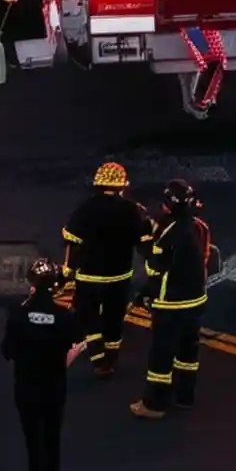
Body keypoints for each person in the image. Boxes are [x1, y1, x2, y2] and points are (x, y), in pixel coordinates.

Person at [2, 258, 88, 471]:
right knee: (52, 440)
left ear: (31, 284)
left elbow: (8, 352)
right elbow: (79, 344)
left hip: (28, 388)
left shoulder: (18, 315)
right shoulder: (64, 317)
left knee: (34, 445)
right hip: (54, 387)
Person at [61, 162, 152, 378]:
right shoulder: (131, 209)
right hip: (119, 277)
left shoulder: (86, 208)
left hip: (89, 276)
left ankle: (98, 359)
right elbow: (144, 243)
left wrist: (68, 270)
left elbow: (73, 241)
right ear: (122, 185)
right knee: (114, 318)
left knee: (89, 318)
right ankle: (110, 359)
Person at [131, 179, 211, 419]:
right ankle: (185, 396)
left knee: (161, 354)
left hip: (171, 303)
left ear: (169, 206)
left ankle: (154, 404)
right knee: (188, 352)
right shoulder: (199, 226)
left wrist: (144, 242)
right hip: (195, 300)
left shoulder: (171, 234)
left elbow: (156, 268)